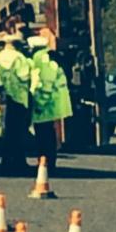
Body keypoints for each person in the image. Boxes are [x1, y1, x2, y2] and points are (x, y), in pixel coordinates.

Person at [28, 34, 73, 173]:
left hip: (47, 103)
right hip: (52, 102)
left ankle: (46, 161)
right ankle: (47, 160)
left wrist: (40, 104)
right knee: (47, 131)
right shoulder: (48, 57)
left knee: (44, 133)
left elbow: (45, 84)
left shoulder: (41, 60)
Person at [0, 35, 32, 171]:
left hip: (3, 99)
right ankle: (19, 160)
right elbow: (24, 76)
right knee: (19, 130)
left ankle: (5, 159)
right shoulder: (19, 58)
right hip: (18, 99)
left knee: (6, 130)